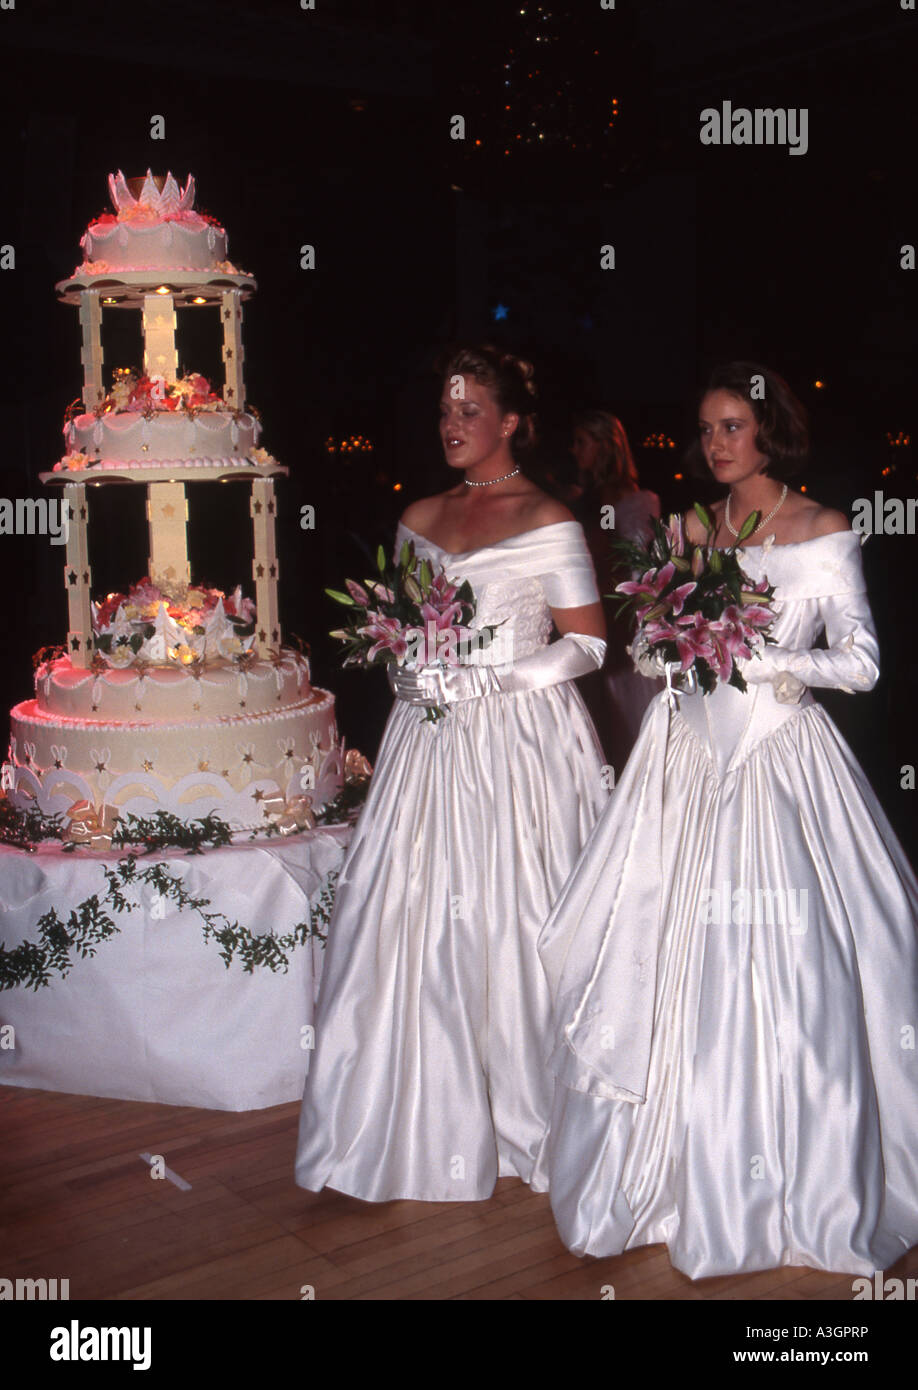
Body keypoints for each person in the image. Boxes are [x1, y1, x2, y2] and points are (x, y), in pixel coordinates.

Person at [533, 361, 918, 1278]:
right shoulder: (684, 528)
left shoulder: (824, 529)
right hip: (685, 758)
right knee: (660, 943)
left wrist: (777, 667)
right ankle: (665, 1169)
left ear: (770, 430)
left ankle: (803, 1178)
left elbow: (861, 662)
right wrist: (670, 647)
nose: (715, 444)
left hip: (780, 757)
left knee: (795, 958)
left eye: (732, 427)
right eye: (706, 429)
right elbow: (644, 641)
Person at [295, 345, 609, 1202]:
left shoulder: (549, 517)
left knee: (515, 910)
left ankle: (531, 1107)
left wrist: (491, 678)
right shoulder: (418, 515)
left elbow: (587, 644)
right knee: (409, 918)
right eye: (444, 409)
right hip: (426, 742)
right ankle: (412, 1114)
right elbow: (403, 624)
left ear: (510, 423)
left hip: (518, 742)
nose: (452, 424)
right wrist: (405, 668)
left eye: (470, 411)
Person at [569, 410, 662, 771]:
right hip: (595, 623)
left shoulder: (628, 500)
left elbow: (641, 571)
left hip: (620, 624)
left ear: (605, 446)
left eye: (582, 442)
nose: (575, 451)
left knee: (626, 728)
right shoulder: (584, 499)